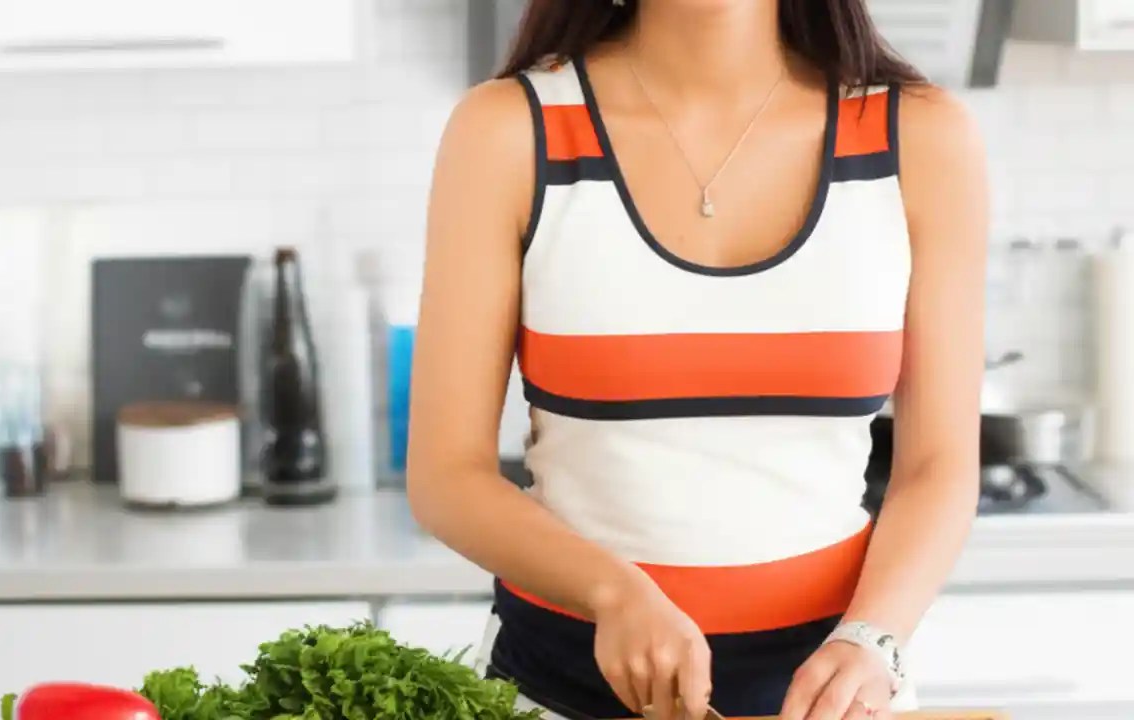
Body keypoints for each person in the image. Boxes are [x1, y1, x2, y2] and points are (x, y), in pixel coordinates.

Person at [407, 0, 987, 718]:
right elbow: (445, 476)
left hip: (833, 692)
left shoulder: (919, 136)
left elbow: (939, 466)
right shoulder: (507, 131)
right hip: (559, 688)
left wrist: (874, 638)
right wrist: (613, 592)